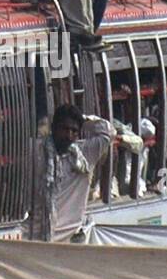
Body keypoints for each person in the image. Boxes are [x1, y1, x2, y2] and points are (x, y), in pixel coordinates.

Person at [28, 103, 114, 241]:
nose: (69, 135)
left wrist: (83, 119)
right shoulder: (36, 150)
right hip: (37, 235)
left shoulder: (85, 153)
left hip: (71, 237)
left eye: (74, 131)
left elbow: (108, 132)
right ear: (54, 127)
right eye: (64, 129)